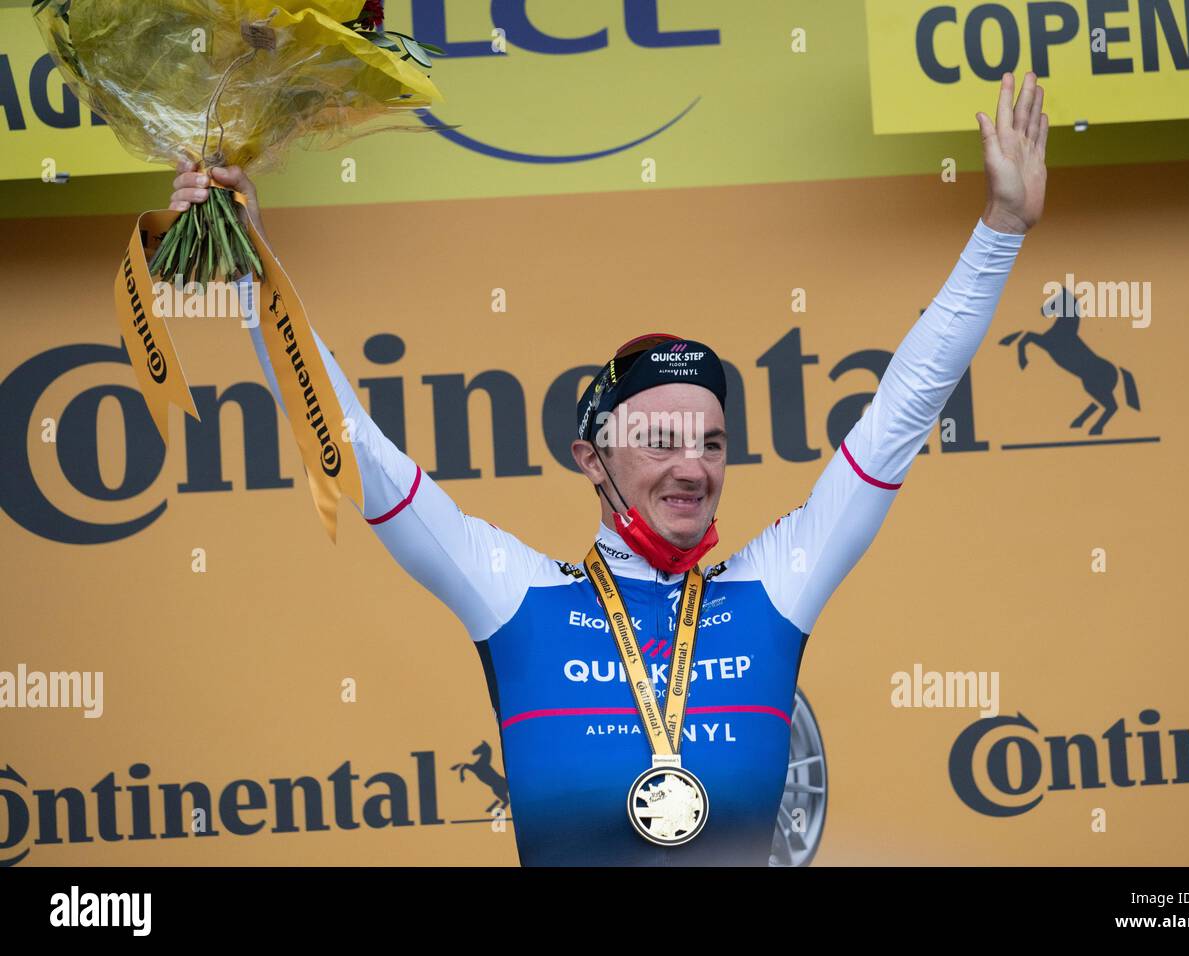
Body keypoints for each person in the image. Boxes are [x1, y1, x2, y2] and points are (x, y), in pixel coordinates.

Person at [170, 72, 1048, 866]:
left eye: (710, 442)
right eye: (660, 440)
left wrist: (1001, 230)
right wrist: (252, 278)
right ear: (591, 458)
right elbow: (351, 442)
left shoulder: (777, 584)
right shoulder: (512, 591)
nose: (692, 467)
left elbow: (902, 410)